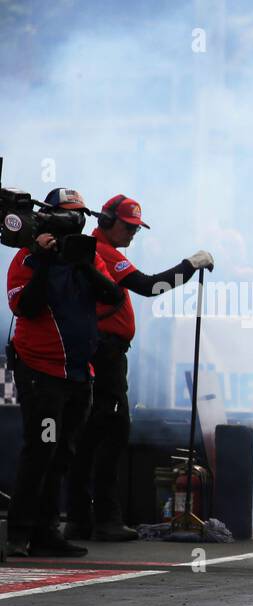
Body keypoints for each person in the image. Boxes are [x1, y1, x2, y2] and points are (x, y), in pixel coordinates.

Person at [65, 195, 213, 541]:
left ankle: (82, 517)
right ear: (105, 221)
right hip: (103, 354)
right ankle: (104, 519)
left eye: (137, 228)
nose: (134, 233)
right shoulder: (102, 252)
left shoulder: (98, 250)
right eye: (128, 226)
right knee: (110, 433)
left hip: (100, 352)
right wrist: (190, 265)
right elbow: (150, 287)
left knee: (91, 435)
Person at [4, 188, 123, 557]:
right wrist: (43, 261)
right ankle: (19, 534)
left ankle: (46, 532)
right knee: (41, 450)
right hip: (43, 373)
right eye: (65, 216)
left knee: (63, 454)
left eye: (78, 216)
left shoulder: (86, 255)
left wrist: (84, 265)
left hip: (77, 373)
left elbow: (113, 298)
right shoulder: (26, 258)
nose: (73, 223)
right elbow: (27, 307)